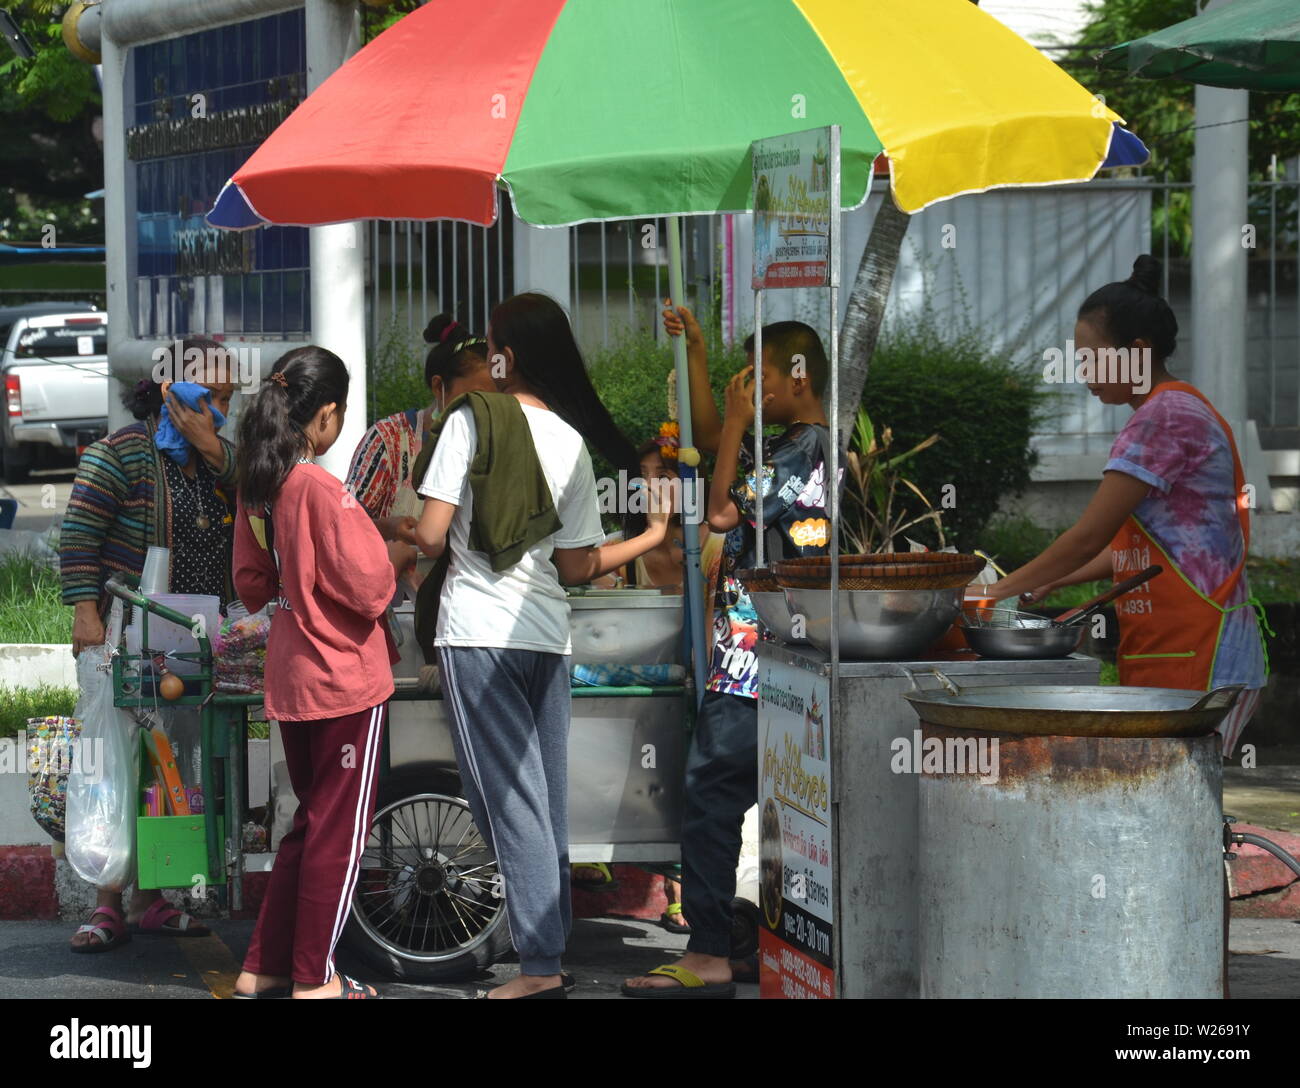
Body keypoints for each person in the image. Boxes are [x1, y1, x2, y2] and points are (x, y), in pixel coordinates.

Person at [413, 292, 671, 999]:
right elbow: (577, 567)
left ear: (506, 356)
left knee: (508, 800)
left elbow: (433, 536)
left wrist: (395, 535)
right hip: (545, 642)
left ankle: (539, 967)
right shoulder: (572, 441)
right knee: (542, 802)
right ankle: (544, 950)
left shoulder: (470, 421)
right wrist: (649, 537)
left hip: (478, 635)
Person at [624, 305, 832, 998]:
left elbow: (717, 511)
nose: (749, 389)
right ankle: (746, 940)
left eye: (758, 377)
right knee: (742, 799)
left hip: (758, 658)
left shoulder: (803, 452)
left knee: (711, 798)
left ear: (798, 380)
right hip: (768, 655)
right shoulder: (794, 442)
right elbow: (715, 440)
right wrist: (701, 359)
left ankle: (710, 951)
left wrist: (739, 420)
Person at [982, 255, 1267, 757]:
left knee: (1180, 808)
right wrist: (1054, 580)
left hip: (1208, 654)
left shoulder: (1164, 417)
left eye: (1091, 358)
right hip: (1185, 649)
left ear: (1138, 351)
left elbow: (1088, 536)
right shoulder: (1170, 408)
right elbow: (1144, 552)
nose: (1083, 373)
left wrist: (994, 592)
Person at [231, 347, 403, 1000]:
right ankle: (316, 979)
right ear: (326, 414)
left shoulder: (260, 485)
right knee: (340, 835)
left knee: (311, 825)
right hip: (342, 679)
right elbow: (372, 586)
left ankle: (264, 967)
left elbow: (251, 583)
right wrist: (388, 550)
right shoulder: (323, 488)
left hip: (293, 676)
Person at [61, 338, 237, 952]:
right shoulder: (123, 453)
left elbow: (257, 504)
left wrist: (217, 451)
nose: (220, 409)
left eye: (227, 399)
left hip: (189, 640)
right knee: (119, 763)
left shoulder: (217, 464)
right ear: (174, 390)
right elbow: (80, 531)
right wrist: (86, 611)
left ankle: (152, 898)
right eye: (210, 397)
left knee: (170, 767)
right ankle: (107, 902)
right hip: (123, 636)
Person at [345, 314, 495, 587]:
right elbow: (345, 525)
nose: (485, 410)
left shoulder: (500, 444)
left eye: (496, 400)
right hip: (397, 606)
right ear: (439, 387)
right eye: (476, 398)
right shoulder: (389, 440)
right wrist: (391, 530)